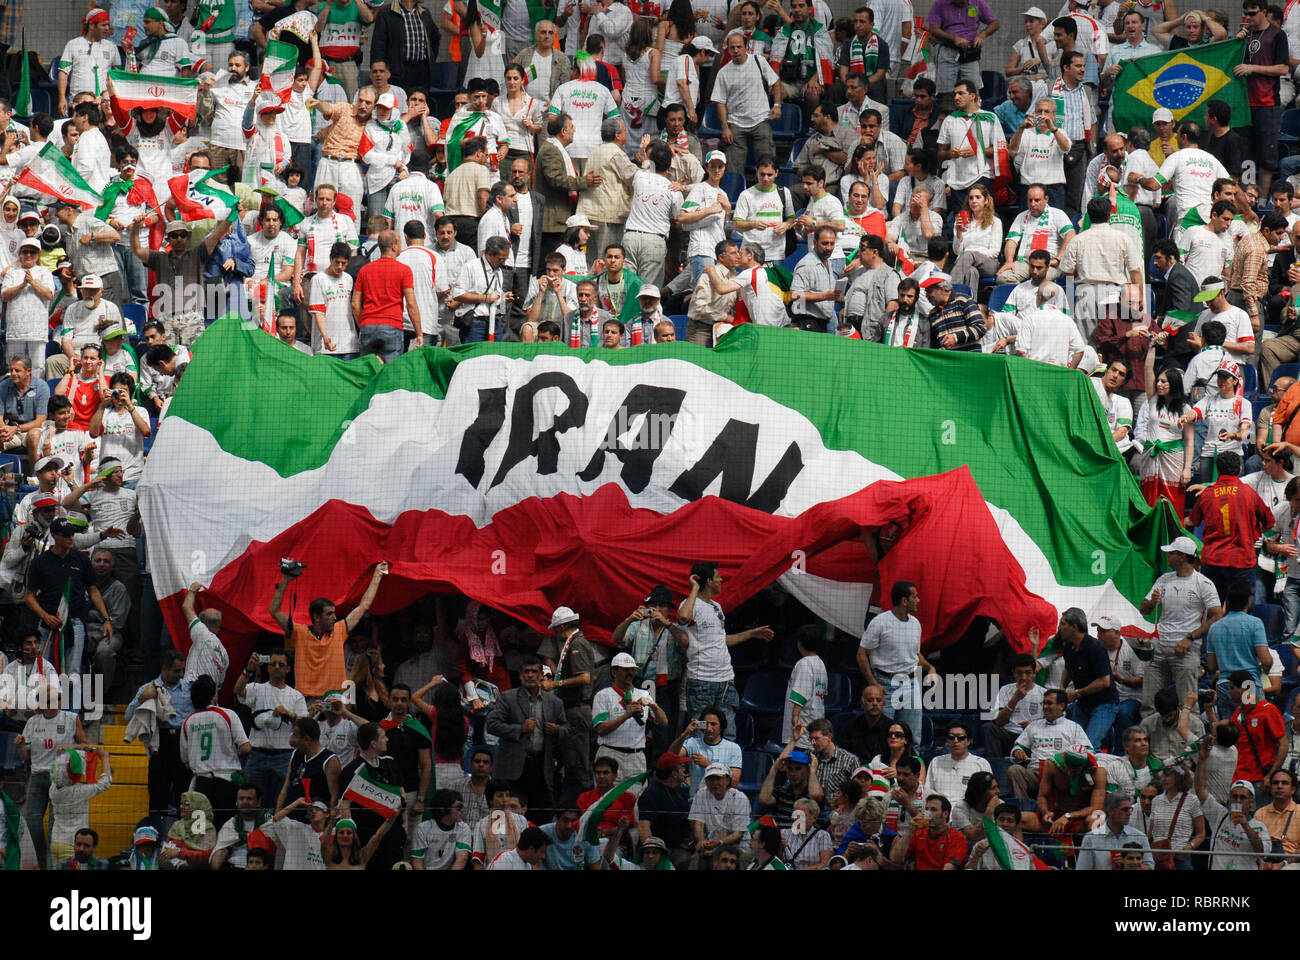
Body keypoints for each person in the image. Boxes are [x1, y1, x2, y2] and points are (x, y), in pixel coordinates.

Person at [677, 562, 774, 735]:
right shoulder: (689, 604)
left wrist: (751, 634)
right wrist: (693, 587)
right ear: (707, 581)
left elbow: (721, 640)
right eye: (717, 577)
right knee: (701, 733)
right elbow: (683, 618)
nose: (721, 579)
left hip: (726, 680)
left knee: (728, 732)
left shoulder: (717, 607)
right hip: (701, 680)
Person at [269, 561, 388, 701]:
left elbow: (363, 606)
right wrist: (286, 579)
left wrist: (377, 575)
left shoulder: (340, 630)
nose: (335, 617)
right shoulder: (299, 633)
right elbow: (274, 611)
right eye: (329, 614)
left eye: (334, 613)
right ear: (317, 617)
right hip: (306, 702)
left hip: (335, 701)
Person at [1139, 536, 1224, 713]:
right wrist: (1152, 603)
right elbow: (1143, 609)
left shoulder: (1204, 584)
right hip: (1159, 649)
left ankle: (1189, 739)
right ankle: (1148, 739)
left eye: (1171, 553)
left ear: (1183, 557)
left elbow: (1217, 616)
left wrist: (1190, 638)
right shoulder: (1164, 580)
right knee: (1149, 705)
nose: (1167, 556)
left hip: (1185, 651)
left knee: (1188, 706)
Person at [485, 654, 568, 819]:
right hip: (512, 768)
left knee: (538, 813)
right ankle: (501, 844)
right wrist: (519, 729)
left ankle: (535, 843)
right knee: (504, 813)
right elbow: (491, 724)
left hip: (541, 765)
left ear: (540, 675)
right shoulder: (508, 698)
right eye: (526, 672)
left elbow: (567, 729)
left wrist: (557, 729)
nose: (530, 675)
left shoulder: (554, 702)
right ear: (520, 675)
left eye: (534, 672)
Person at [1188, 451, 1274, 599]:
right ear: (1240, 469)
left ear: (1218, 470)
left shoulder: (1207, 494)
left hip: (1213, 560)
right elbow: (1270, 522)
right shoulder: (1249, 493)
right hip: (1242, 559)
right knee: (1243, 609)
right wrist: (1253, 531)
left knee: (1212, 610)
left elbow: (1194, 521)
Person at [858, 580, 932, 735]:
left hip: (911, 683)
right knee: (883, 733)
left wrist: (929, 667)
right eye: (915, 597)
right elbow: (862, 653)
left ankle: (912, 759)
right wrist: (873, 683)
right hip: (886, 683)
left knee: (912, 735)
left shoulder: (915, 624)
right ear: (904, 601)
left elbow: (915, 654)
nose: (918, 600)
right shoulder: (880, 622)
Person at [180, 674, 251, 827]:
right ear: (214, 695)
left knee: (200, 831)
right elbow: (246, 747)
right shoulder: (228, 714)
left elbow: (186, 762)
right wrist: (229, 754)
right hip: (226, 782)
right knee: (226, 829)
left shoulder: (188, 722)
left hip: (200, 785)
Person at [538, 605, 596, 789]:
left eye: (555, 629)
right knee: (572, 757)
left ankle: (580, 798)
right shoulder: (575, 643)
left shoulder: (577, 644)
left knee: (577, 759)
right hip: (573, 709)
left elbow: (585, 677)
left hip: (577, 709)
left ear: (562, 627)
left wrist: (554, 684)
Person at [593, 651, 667, 788]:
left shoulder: (643, 694)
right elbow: (601, 729)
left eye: (632, 670)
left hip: (636, 756)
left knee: (634, 803)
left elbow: (664, 722)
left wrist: (653, 706)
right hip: (610, 754)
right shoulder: (603, 695)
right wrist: (626, 715)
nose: (630, 673)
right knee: (607, 801)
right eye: (625, 670)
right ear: (614, 672)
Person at [712, 31, 782, 174]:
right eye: (732, 47)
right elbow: (720, 102)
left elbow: (775, 82)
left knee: (767, 166)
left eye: (739, 46)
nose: (736, 50)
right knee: (733, 170)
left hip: (760, 120)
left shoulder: (758, 61)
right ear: (728, 49)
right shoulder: (723, 72)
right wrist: (725, 128)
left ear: (746, 47)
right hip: (736, 124)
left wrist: (777, 105)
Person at [636, 752, 692, 867]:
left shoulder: (679, 790)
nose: (684, 770)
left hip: (679, 845)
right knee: (685, 861)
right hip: (662, 850)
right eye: (681, 767)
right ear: (674, 774)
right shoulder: (651, 794)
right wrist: (654, 854)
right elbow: (643, 827)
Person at [688, 762, 750, 865]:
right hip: (711, 843)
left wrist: (720, 842)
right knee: (696, 858)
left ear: (727, 780)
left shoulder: (740, 798)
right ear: (706, 781)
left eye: (718, 778)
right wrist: (701, 841)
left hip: (737, 846)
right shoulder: (701, 794)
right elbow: (698, 824)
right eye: (710, 779)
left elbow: (738, 834)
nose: (714, 783)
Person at [1147, 764, 1206, 870]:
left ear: (1179, 777)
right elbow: (1151, 833)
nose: (1164, 779)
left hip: (1180, 858)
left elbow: (1201, 833)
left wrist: (1190, 846)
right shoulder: (1156, 800)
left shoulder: (1192, 800)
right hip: (1159, 858)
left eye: (1168, 775)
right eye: (1163, 775)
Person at [1075, 792, 1154, 869]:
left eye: (1130, 809)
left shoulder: (1139, 837)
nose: (1129, 813)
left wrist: (1132, 864)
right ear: (1111, 811)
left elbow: (1150, 867)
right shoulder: (1091, 838)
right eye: (1125, 809)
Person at [409, 789, 471, 870]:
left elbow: (462, 859)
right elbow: (417, 862)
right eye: (458, 807)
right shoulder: (423, 828)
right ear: (443, 809)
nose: (462, 810)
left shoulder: (463, 828)